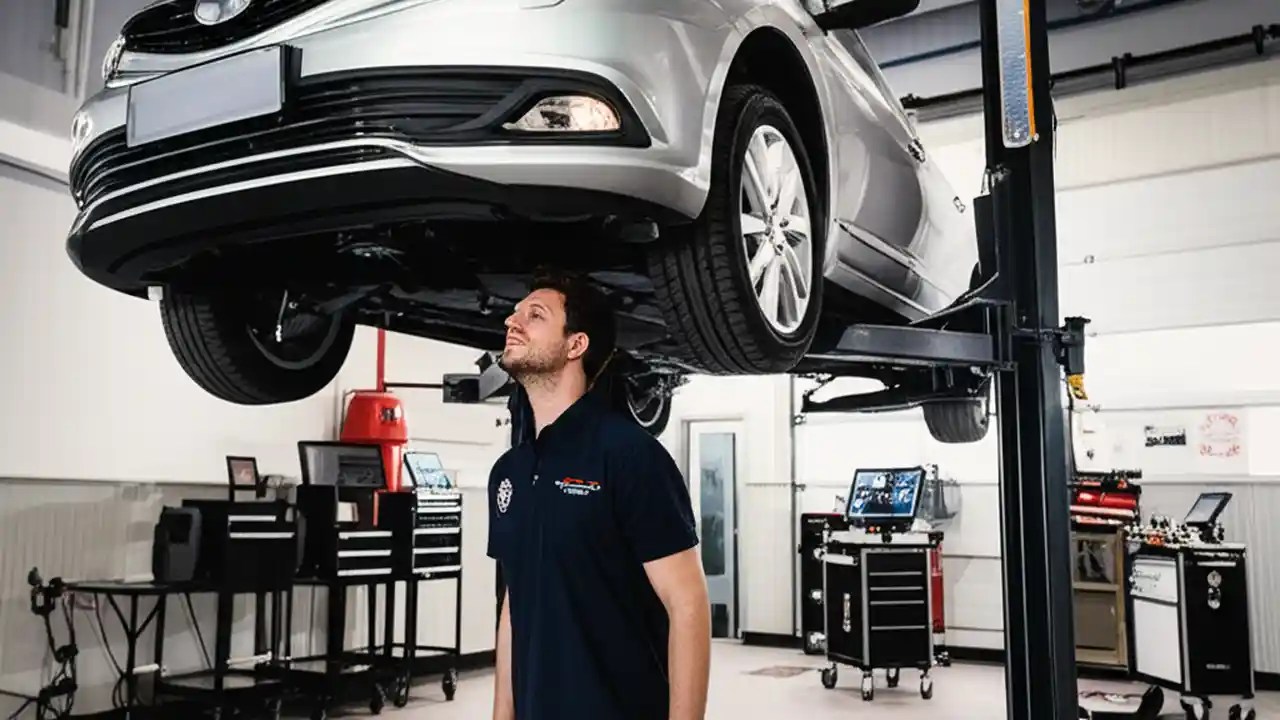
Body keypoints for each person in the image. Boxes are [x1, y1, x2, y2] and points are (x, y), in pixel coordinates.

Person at [487, 269, 711, 720]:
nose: (513, 322)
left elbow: (687, 602)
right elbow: (516, 602)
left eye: (535, 315)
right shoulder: (508, 472)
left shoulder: (630, 456)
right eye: (514, 313)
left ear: (576, 345)